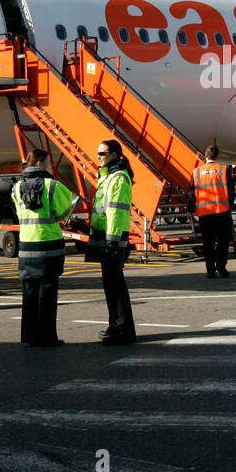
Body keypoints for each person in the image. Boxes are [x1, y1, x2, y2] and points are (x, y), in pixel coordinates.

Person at [11, 148, 75, 347]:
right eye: (48, 163)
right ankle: (47, 336)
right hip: (48, 246)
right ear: (39, 164)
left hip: (26, 246)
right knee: (47, 293)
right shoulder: (52, 186)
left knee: (29, 292)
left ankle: (29, 336)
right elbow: (66, 211)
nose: (50, 166)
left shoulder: (16, 187)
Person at [89, 139, 136, 344]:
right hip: (105, 237)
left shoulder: (118, 177)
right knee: (110, 285)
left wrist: (112, 242)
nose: (98, 157)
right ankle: (115, 325)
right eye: (98, 153)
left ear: (114, 155)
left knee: (115, 285)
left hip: (112, 239)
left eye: (103, 154)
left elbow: (116, 213)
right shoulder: (106, 177)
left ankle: (123, 330)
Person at [189, 144, 233, 278]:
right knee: (223, 241)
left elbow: (192, 193)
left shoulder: (196, 172)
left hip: (205, 214)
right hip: (222, 212)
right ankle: (221, 266)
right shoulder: (224, 170)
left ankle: (210, 270)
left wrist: (190, 209)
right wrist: (229, 206)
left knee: (208, 242)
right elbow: (231, 192)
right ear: (217, 156)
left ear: (205, 155)